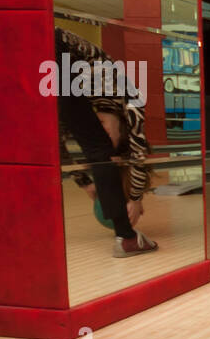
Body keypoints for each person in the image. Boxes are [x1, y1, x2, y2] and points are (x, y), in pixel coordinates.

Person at [55, 27, 158, 257]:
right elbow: (139, 154)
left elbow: (57, 147)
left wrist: (86, 184)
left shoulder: (81, 105)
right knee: (100, 150)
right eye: (111, 137)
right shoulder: (131, 101)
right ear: (123, 133)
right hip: (57, 45)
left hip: (42, 55)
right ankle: (127, 238)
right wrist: (135, 198)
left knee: (98, 150)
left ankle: (126, 237)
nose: (102, 133)